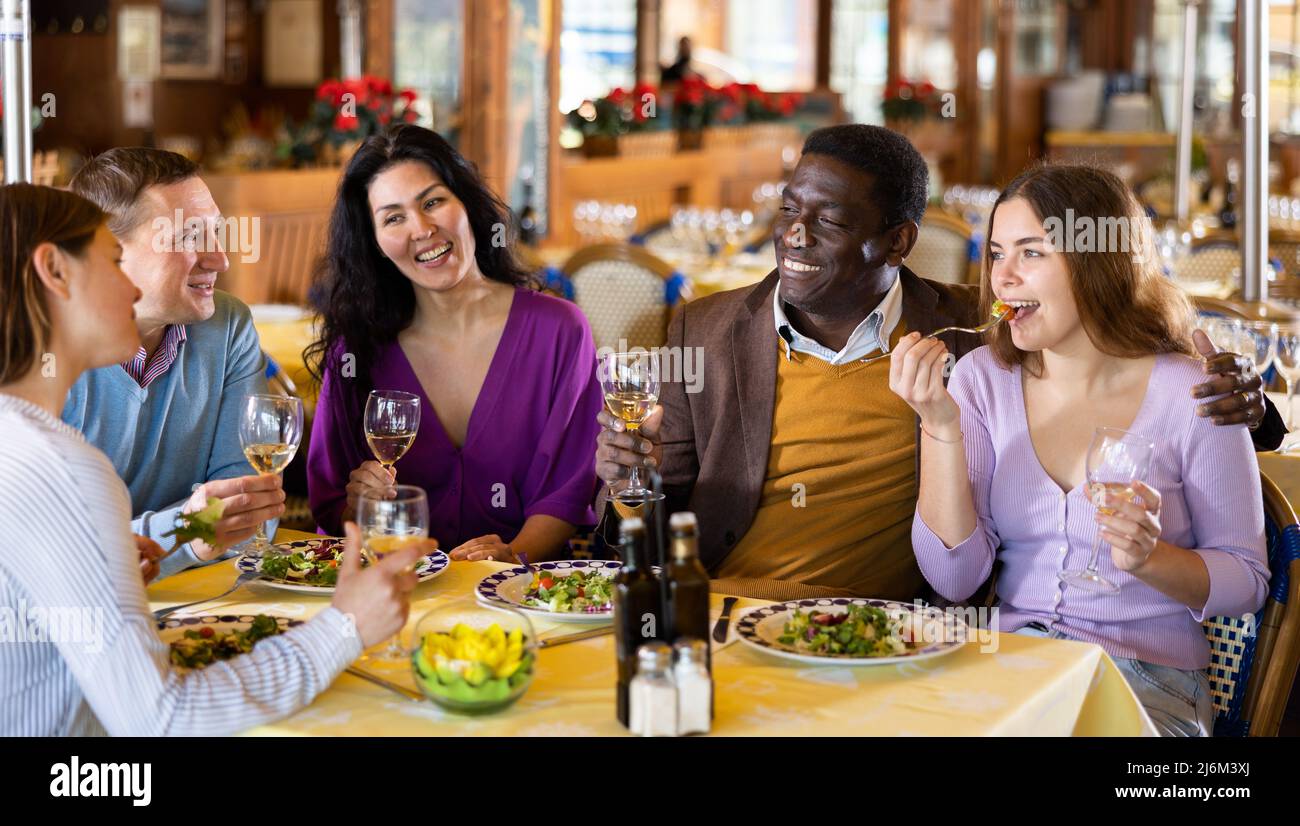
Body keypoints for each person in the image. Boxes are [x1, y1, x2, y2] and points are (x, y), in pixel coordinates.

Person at [594, 124, 1275, 601]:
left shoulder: (976, 341)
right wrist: (631, 487)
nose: (793, 236)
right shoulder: (707, 332)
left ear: (897, 242)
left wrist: (1254, 403)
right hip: (725, 610)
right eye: (789, 209)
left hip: (887, 635)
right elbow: (648, 525)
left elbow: (1121, 352)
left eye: (828, 220)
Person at [0, 183, 423, 735]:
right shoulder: (66, 469)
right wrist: (345, 626)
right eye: (110, 259)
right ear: (54, 270)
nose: (128, 285)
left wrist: (109, 561)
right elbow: (160, 717)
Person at [892, 164, 1268, 736]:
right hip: (1008, 673)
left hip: (1147, 685)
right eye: (996, 253)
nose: (1003, 278)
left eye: (1031, 253)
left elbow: (1247, 581)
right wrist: (940, 428)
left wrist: (1151, 559)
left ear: (1098, 261)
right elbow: (954, 579)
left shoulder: (1194, 391)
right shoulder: (979, 381)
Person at [306, 124, 602, 563]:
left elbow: (568, 489)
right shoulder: (355, 352)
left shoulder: (560, 331)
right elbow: (333, 508)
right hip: (393, 593)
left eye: (432, 201)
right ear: (375, 244)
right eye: (393, 217)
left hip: (525, 595)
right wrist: (361, 503)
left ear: (466, 203)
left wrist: (509, 559)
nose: (422, 228)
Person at [64, 148, 284, 580]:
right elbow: (48, 553)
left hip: (201, 599)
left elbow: (252, 509)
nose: (220, 259)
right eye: (187, 238)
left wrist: (186, 538)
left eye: (216, 234)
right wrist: (185, 530)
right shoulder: (39, 353)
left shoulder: (228, 326)